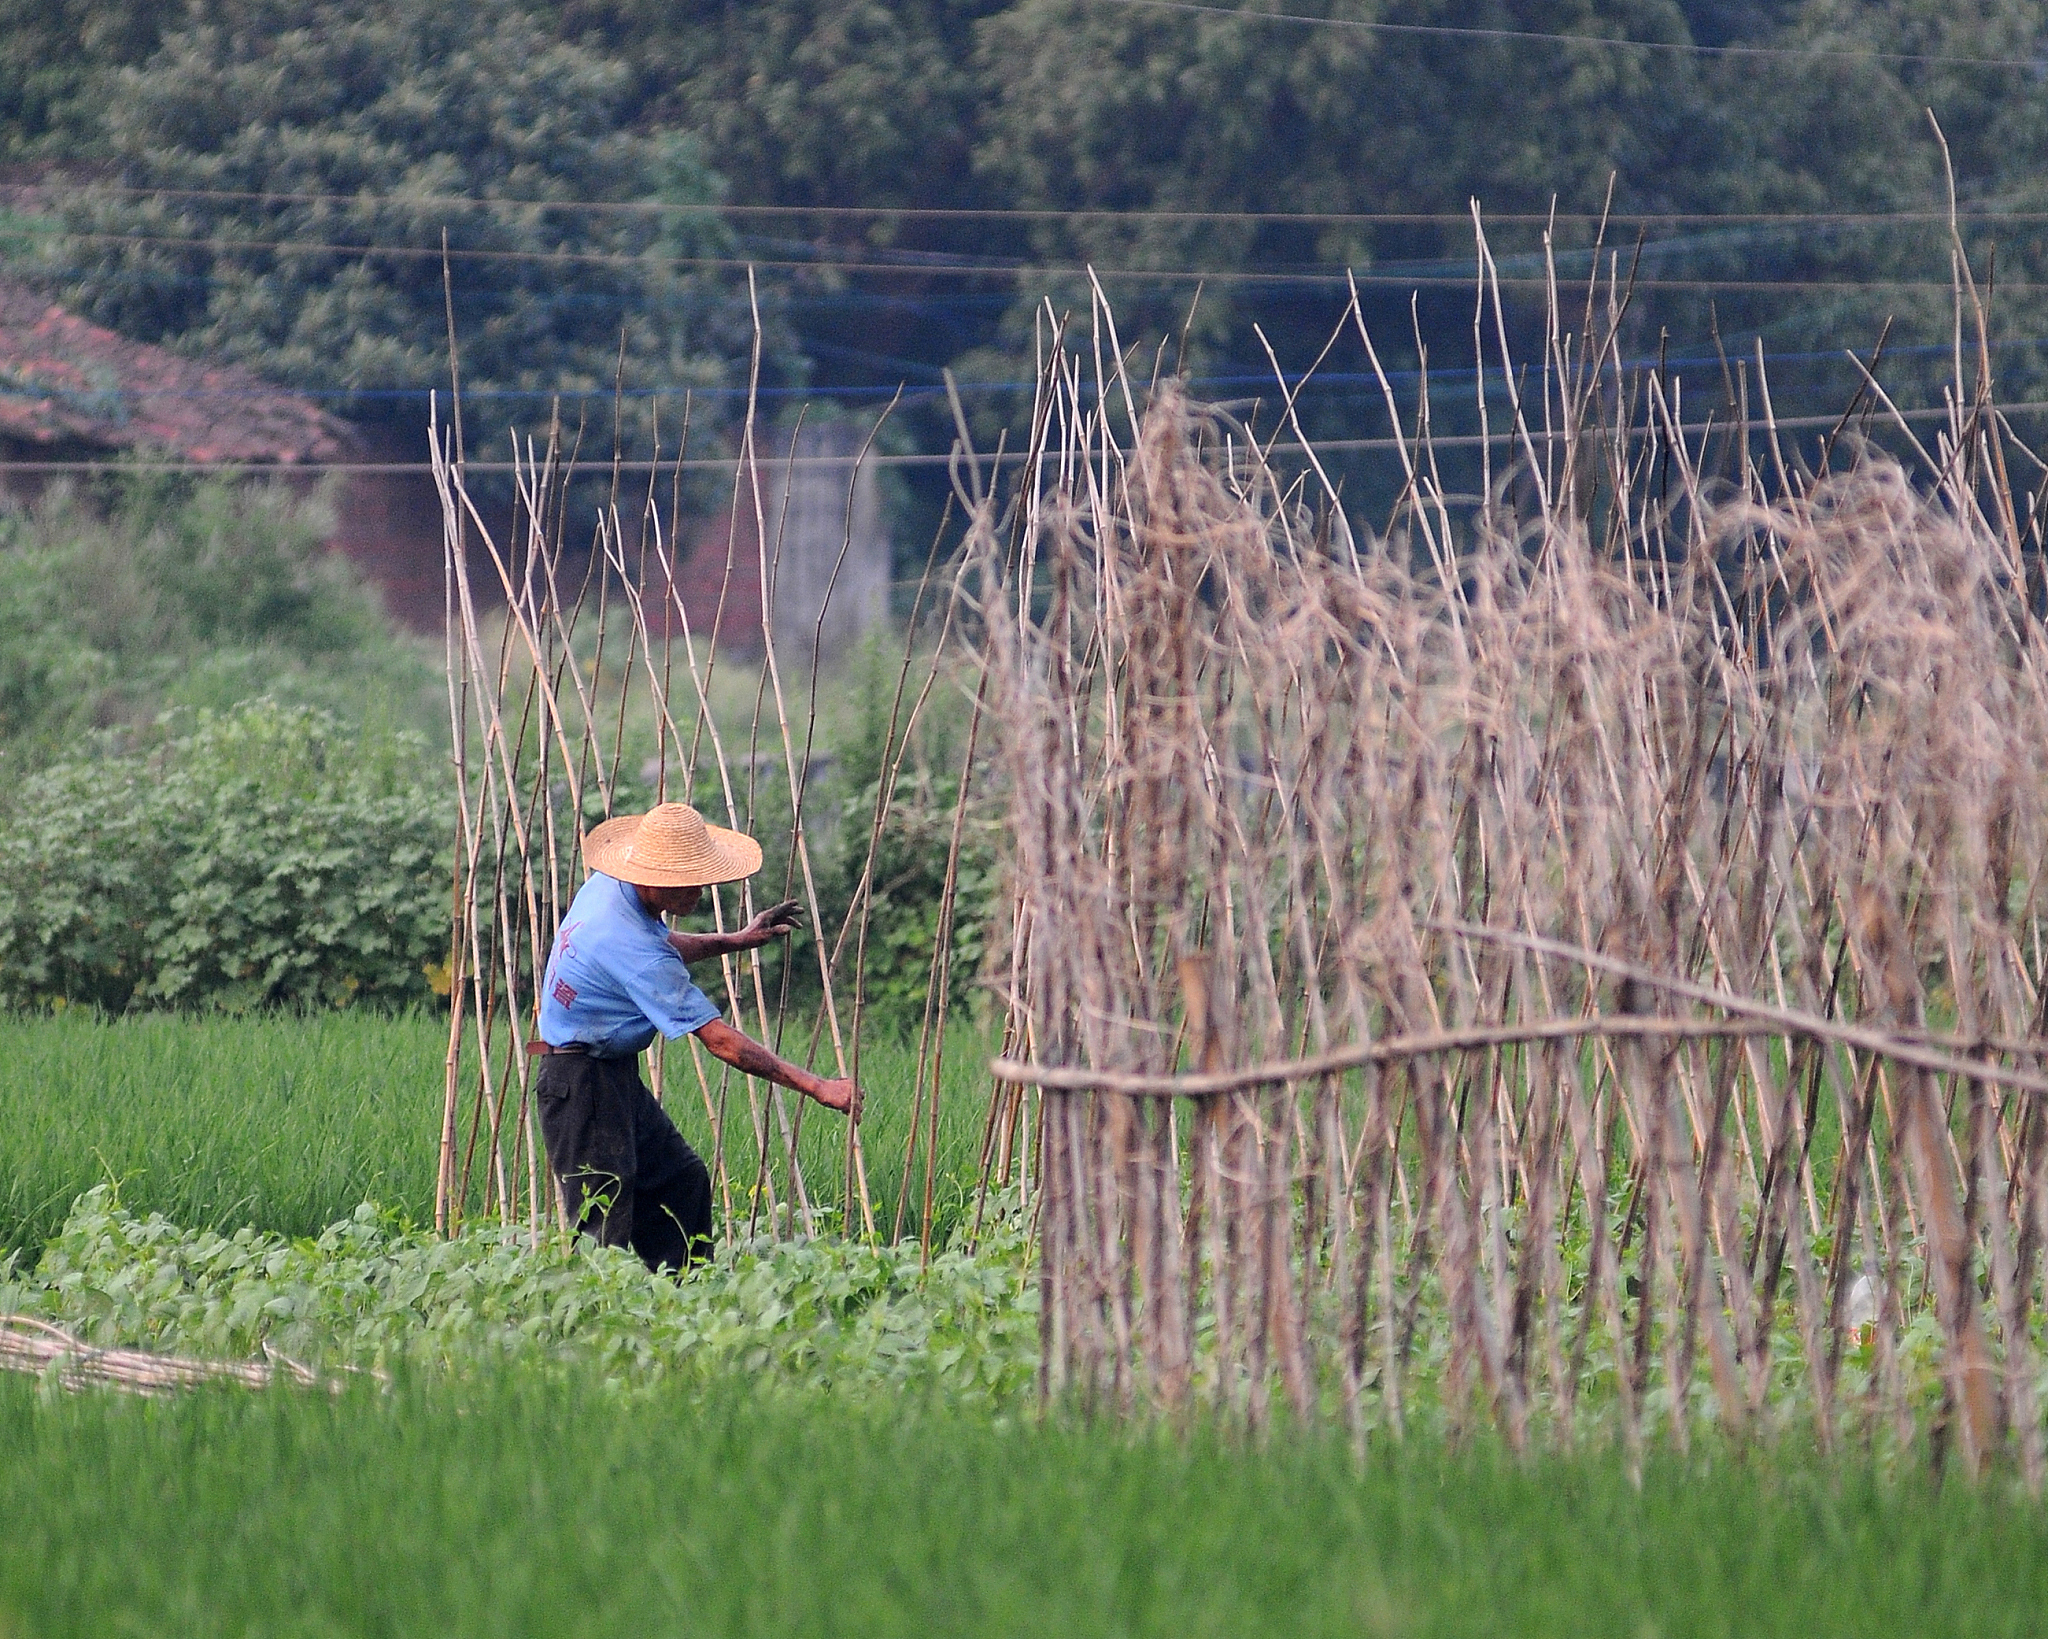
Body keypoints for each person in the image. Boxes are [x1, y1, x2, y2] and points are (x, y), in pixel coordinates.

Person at [529, 801, 862, 1271]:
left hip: (608, 1072)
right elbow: (720, 1041)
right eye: (689, 879)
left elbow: (656, 945)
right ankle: (589, 1331)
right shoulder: (628, 943)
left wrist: (736, 940)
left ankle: (684, 1303)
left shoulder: (611, 887)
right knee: (601, 1226)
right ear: (653, 876)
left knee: (680, 1180)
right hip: (579, 1084)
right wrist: (819, 1087)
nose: (701, 889)